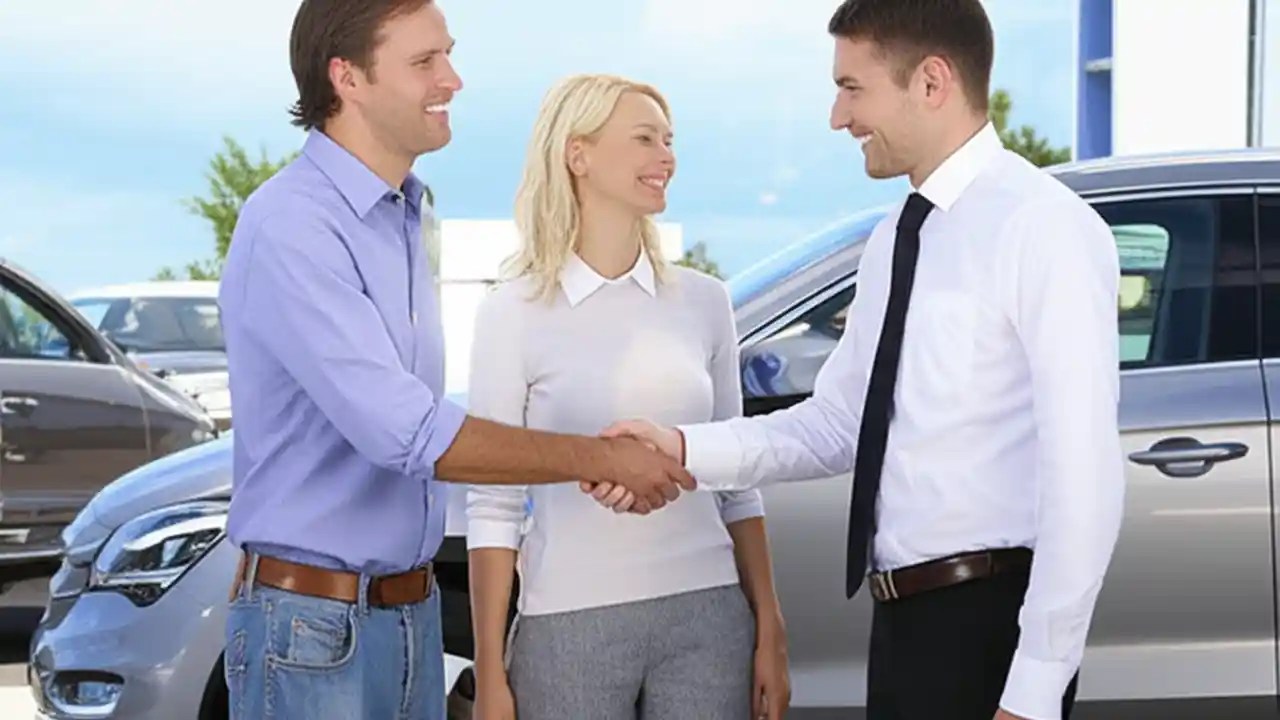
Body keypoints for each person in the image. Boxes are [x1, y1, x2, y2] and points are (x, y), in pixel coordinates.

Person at [598, 1, 1125, 719]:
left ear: (932, 82)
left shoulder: (1047, 230)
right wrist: (682, 447)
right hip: (903, 626)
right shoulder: (894, 241)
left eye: (853, 87)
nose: (837, 117)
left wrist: (1035, 686)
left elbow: (1085, 477)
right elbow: (840, 424)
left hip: (990, 632)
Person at [216, 2, 694, 719]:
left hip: (403, 616)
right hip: (315, 630)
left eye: (448, 54)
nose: (453, 79)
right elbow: (406, 432)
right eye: (424, 62)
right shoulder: (293, 223)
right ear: (346, 77)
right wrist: (603, 458)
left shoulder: (403, 214)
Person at [463, 74, 791, 720]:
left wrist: (770, 630)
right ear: (577, 154)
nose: (665, 156)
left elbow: (737, 482)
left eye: (669, 141)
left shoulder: (705, 302)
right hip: (568, 626)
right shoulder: (511, 313)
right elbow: (492, 502)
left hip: (709, 618)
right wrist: (493, 674)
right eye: (644, 139)